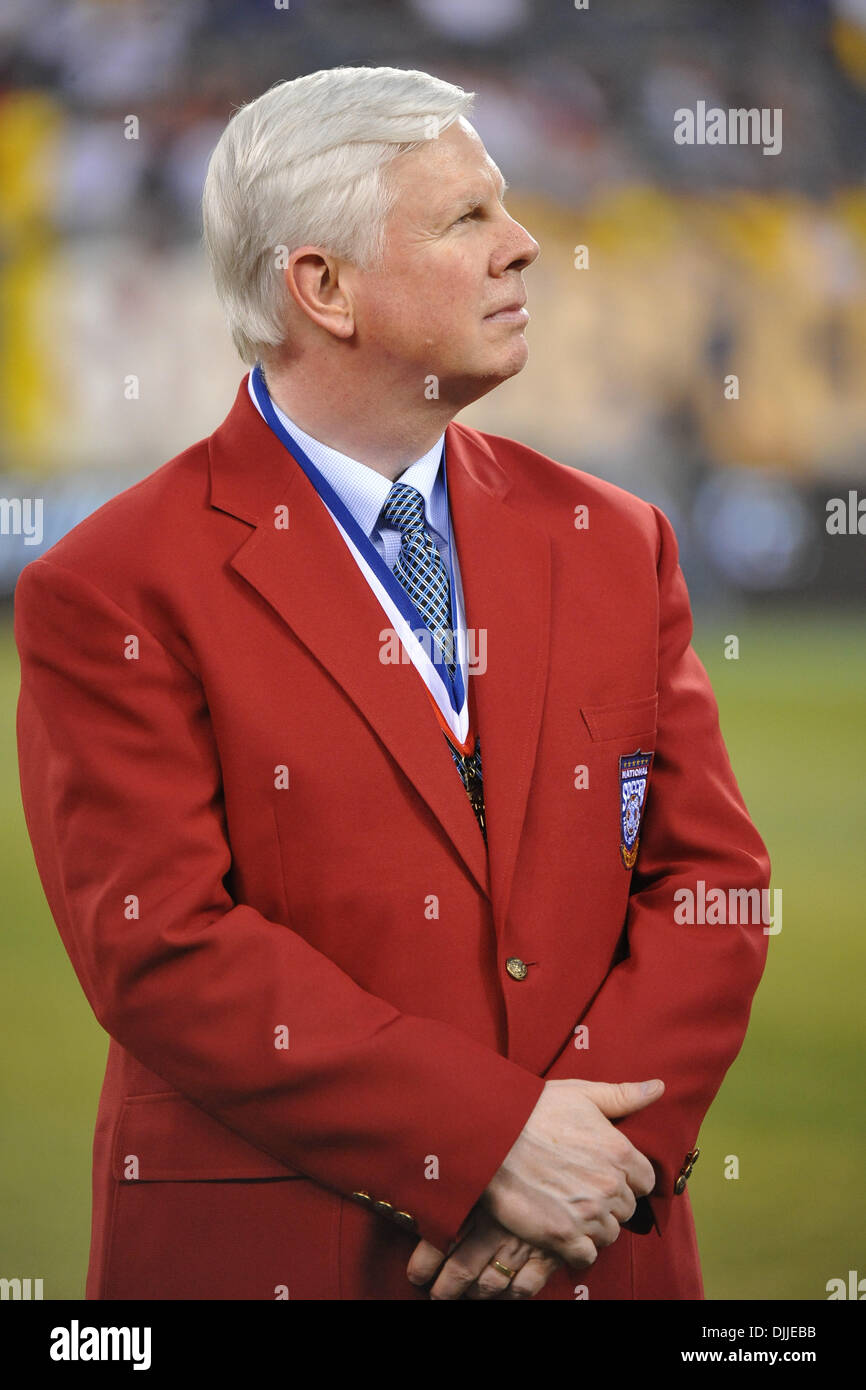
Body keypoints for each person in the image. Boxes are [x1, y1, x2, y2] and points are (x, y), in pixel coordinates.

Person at [14, 65, 770, 1301]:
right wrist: (487, 1144)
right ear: (321, 286)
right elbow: (162, 946)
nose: (522, 246)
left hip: (596, 1254)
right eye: (465, 218)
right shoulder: (111, 587)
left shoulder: (615, 538)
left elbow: (712, 882)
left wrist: (595, 1158)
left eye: (504, 208)